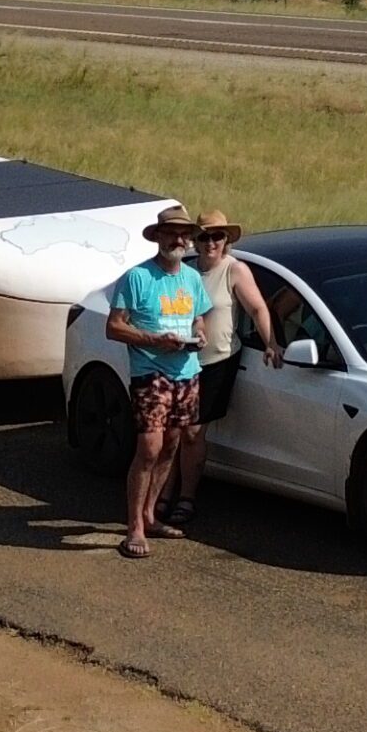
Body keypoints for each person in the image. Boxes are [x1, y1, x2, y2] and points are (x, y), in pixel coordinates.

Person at [105, 206, 208, 559]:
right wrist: (153, 340)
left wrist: (198, 333)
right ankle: (134, 527)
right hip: (150, 372)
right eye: (170, 234)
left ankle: (150, 516)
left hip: (187, 371)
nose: (177, 240)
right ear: (158, 237)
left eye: (183, 235)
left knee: (172, 445)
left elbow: (199, 319)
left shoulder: (192, 278)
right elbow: (114, 326)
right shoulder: (137, 277)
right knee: (148, 447)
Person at [169, 218, 274, 530]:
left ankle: (186, 498)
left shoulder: (234, 269)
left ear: (226, 240)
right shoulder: (186, 271)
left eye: (216, 237)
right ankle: (162, 495)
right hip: (179, 361)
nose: (210, 243)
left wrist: (271, 343)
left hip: (217, 362)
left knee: (192, 431)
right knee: (171, 432)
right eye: (203, 237)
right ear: (195, 241)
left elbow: (257, 309)